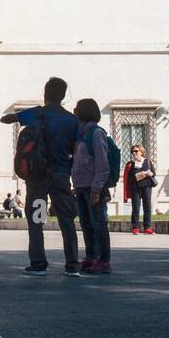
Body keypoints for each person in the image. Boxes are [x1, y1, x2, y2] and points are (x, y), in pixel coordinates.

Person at [1, 77, 80, 277]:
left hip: (38, 177)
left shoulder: (38, 114)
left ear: (45, 93)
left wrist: (22, 118)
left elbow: (6, 119)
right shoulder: (72, 120)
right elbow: (76, 149)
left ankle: (38, 263)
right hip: (61, 175)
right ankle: (72, 264)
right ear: (63, 96)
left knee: (37, 219)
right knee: (66, 219)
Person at [72, 98, 113, 274]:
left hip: (93, 187)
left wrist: (97, 188)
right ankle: (91, 256)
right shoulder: (80, 134)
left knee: (99, 223)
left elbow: (102, 164)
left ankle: (104, 260)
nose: (74, 111)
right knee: (86, 223)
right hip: (81, 186)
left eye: (77, 109)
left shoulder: (96, 133)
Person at [123, 143, 157, 234]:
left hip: (146, 187)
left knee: (147, 207)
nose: (134, 153)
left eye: (136, 151)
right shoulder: (130, 164)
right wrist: (141, 175)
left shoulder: (148, 162)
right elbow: (128, 178)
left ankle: (147, 227)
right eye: (132, 151)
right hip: (135, 188)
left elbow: (154, 173)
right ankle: (135, 227)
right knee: (136, 207)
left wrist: (150, 174)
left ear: (141, 152)